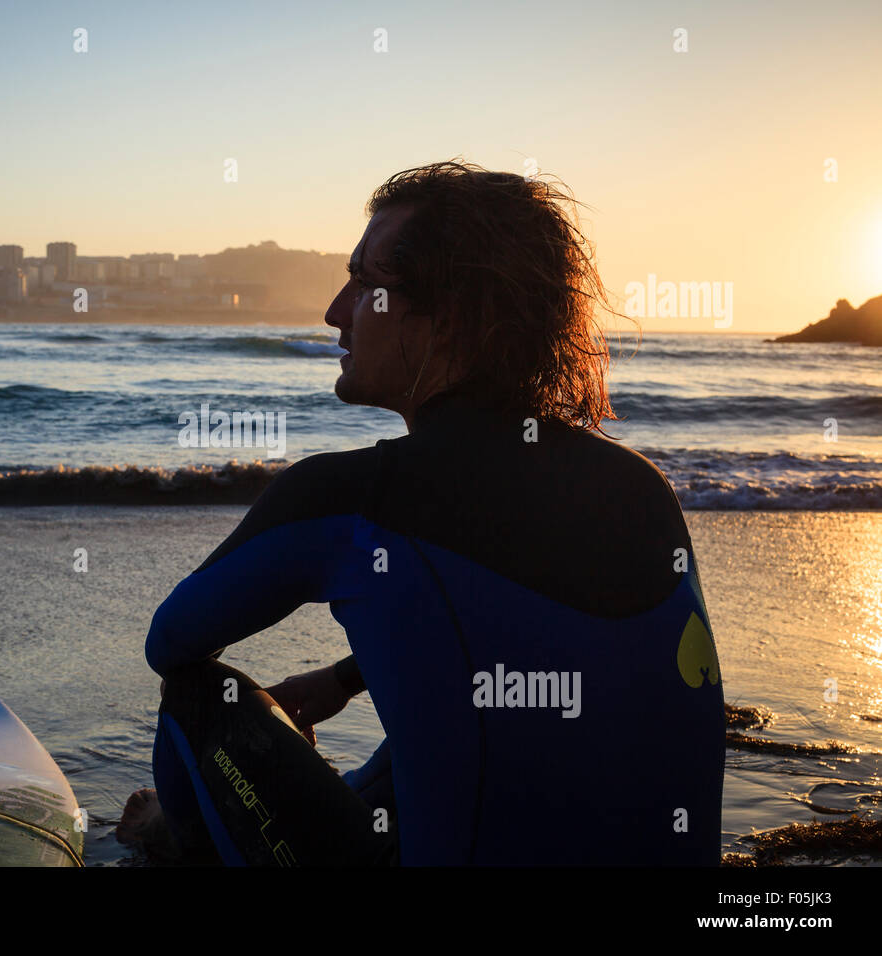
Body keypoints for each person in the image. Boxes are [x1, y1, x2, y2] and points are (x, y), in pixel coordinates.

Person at [118, 160, 725, 866]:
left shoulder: (354, 496)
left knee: (198, 693)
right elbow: (525, 632)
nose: (335, 311)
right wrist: (346, 679)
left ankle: (168, 841)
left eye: (365, 285)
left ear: (450, 318)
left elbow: (171, 641)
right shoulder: (640, 487)